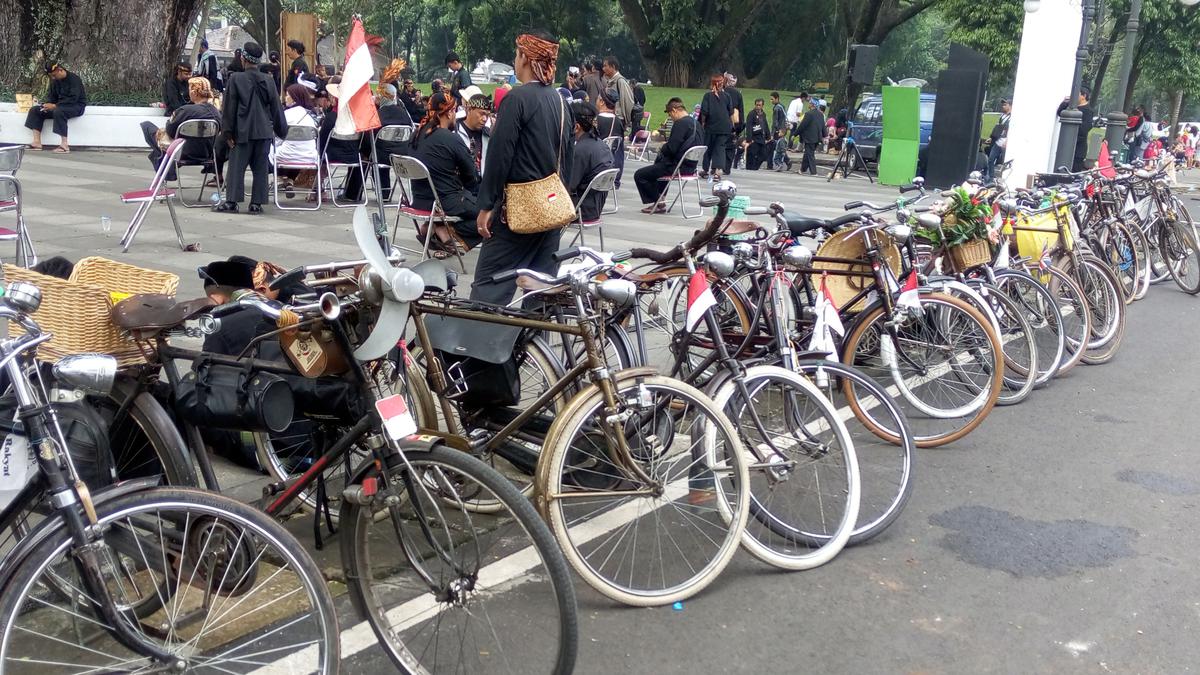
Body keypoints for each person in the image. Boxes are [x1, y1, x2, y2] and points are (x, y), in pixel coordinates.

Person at [471, 30, 575, 306]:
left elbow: (498, 157)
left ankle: (479, 348)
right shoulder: (561, 102)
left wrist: (486, 205)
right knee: (539, 294)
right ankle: (532, 348)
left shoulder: (516, 100)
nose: (515, 61)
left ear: (526, 58)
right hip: (551, 211)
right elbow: (568, 159)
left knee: (488, 289)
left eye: (517, 55)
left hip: (517, 215)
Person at [216, 42, 288, 214]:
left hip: (242, 130)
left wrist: (227, 133)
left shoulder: (235, 79)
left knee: (236, 167)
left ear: (243, 58)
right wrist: (282, 131)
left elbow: (229, 108)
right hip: (263, 130)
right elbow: (277, 108)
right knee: (260, 168)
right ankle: (256, 203)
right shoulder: (269, 81)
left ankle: (232, 201)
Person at [409, 91, 483, 251]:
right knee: (492, 213)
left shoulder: (416, 134)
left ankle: (436, 226)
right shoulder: (450, 138)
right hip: (445, 202)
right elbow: (471, 176)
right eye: (455, 111)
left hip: (419, 200)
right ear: (449, 113)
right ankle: (447, 230)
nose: (455, 115)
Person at [140, 76, 223, 180]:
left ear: (194, 92)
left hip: (183, 153)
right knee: (158, 147)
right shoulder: (216, 113)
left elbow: (170, 131)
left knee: (147, 126)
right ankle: (161, 159)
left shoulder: (186, 110)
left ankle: (166, 169)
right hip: (208, 153)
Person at [635, 98, 699, 212]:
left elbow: (671, 149)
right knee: (659, 164)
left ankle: (658, 201)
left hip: (678, 167)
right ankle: (661, 198)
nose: (671, 118)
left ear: (674, 110)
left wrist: (662, 146)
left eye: (670, 115)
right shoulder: (696, 124)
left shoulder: (680, 124)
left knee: (640, 175)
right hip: (691, 166)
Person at [319, 80, 366, 202]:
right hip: (353, 155)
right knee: (363, 157)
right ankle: (352, 194)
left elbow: (323, 140)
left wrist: (320, 154)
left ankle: (317, 189)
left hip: (332, 155)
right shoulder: (356, 117)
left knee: (317, 150)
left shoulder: (331, 117)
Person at [24, 62, 86, 153]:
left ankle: (64, 145)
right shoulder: (55, 81)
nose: (53, 78)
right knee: (36, 110)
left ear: (60, 70)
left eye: (54, 75)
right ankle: (37, 142)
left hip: (76, 106)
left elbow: (73, 98)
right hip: (59, 105)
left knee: (59, 111)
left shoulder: (74, 79)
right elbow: (52, 97)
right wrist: (47, 104)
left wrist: (55, 106)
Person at [271, 83, 320, 197]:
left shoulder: (286, 115)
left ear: (294, 97)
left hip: (285, 156)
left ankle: (280, 178)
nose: (285, 98)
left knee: (270, 148)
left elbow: (277, 138)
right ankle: (289, 181)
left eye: (287, 95)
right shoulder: (311, 116)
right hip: (309, 157)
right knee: (297, 147)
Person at [569, 101, 614, 222]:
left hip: (579, 210)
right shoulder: (601, 145)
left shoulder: (580, 150)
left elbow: (568, 186)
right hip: (595, 208)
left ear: (576, 127)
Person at [699, 75, 734, 180]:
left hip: (711, 126)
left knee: (708, 147)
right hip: (724, 126)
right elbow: (731, 112)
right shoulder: (727, 96)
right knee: (720, 148)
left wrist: (703, 124)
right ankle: (718, 171)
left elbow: (704, 112)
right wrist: (732, 126)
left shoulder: (708, 96)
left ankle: (705, 170)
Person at [596, 88, 626, 188]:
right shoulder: (618, 122)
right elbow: (620, 152)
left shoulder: (595, 121)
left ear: (601, 102)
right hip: (612, 171)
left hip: (596, 168)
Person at [456, 93, 492, 174]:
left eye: (487, 115)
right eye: (482, 113)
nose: (485, 119)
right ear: (469, 110)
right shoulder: (455, 132)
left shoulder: (488, 135)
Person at [602, 55, 635, 131]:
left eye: (605, 66)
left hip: (618, 119)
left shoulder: (620, 81)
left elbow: (629, 102)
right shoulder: (611, 81)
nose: (603, 69)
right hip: (611, 118)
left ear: (613, 66)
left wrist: (625, 120)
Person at [723, 73, 745, 174]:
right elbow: (741, 112)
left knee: (720, 146)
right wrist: (739, 128)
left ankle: (717, 167)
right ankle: (727, 168)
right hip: (733, 126)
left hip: (721, 124)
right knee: (731, 147)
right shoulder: (738, 94)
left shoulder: (720, 92)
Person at [796, 97, 824, 175]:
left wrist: (795, 134)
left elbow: (802, 126)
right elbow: (823, 126)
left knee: (810, 154)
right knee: (807, 153)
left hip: (809, 138)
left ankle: (814, 172)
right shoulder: (820, 114)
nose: (809, 104)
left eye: (810, 103)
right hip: (817, 138)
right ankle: (802, 169)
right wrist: (825, 135)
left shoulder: (808, 114)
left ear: (812, 104)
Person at [986, 98, 1011, 180]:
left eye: (1005, 105)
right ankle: (991, 177)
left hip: (1006, 141)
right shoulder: (1002, 116)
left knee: (1004, 162)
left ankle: (1002, 178)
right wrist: (991, 137)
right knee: (991, 159)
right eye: (1003, 105)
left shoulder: (1013, 117)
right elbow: (997, 128)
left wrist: (1007, 141)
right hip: (998, 141)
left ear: (1010, 106)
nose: (1003, 106)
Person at [744, 98, 770, 171]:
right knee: (751, 154)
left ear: (762, 106)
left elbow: (765, 124)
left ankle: (755, 167)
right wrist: (749, 139)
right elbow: (748, 126)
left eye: (759, 105)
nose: (758, 107)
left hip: (761, 138)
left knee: (763, 154)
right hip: (754, 138)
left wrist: (768, 136)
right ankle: (750, 168)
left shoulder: (763, 114)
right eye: (757, 105)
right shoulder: (751, 114)